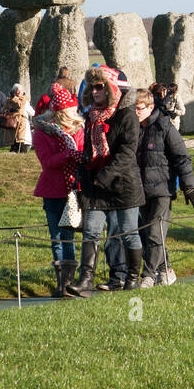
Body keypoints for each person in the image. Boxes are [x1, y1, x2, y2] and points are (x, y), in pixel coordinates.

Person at [68, 66, 147, 295]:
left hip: (124, 184)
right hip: (96, 185)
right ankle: (85, 280)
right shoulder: (92, 115)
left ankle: (132, 277)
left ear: (111, 89)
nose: (94, 92)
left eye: (99, 87)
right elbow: (91, 148)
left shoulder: (127, 115)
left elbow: (126, 153)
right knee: (91, 231)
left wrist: (105, 175)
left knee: (128, 231)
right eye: (92, 87)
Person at [135, 88, 194, 286]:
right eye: (134, 109)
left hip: (162, 190)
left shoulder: (164, 127)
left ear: (150, 107)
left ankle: (148, 276)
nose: (136, 112)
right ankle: (166, 270)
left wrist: (188, 186)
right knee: (147, 234)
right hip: (140, 189)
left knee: (155, 232)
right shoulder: (133, 128)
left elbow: (182, 157)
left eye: (139, 108)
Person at [32, 83, 85, 297]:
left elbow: (83, 153)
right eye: (72, 111)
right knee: (56, 238)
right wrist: (69, 155)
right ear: (62, 113)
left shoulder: (79, 130)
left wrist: (79, 156)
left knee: (68, 237)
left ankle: (69, 283)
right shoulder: (42, 134)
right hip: (52, 191)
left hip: (72, 191)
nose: (76, 114)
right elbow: (47, 162)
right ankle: (61, 283)